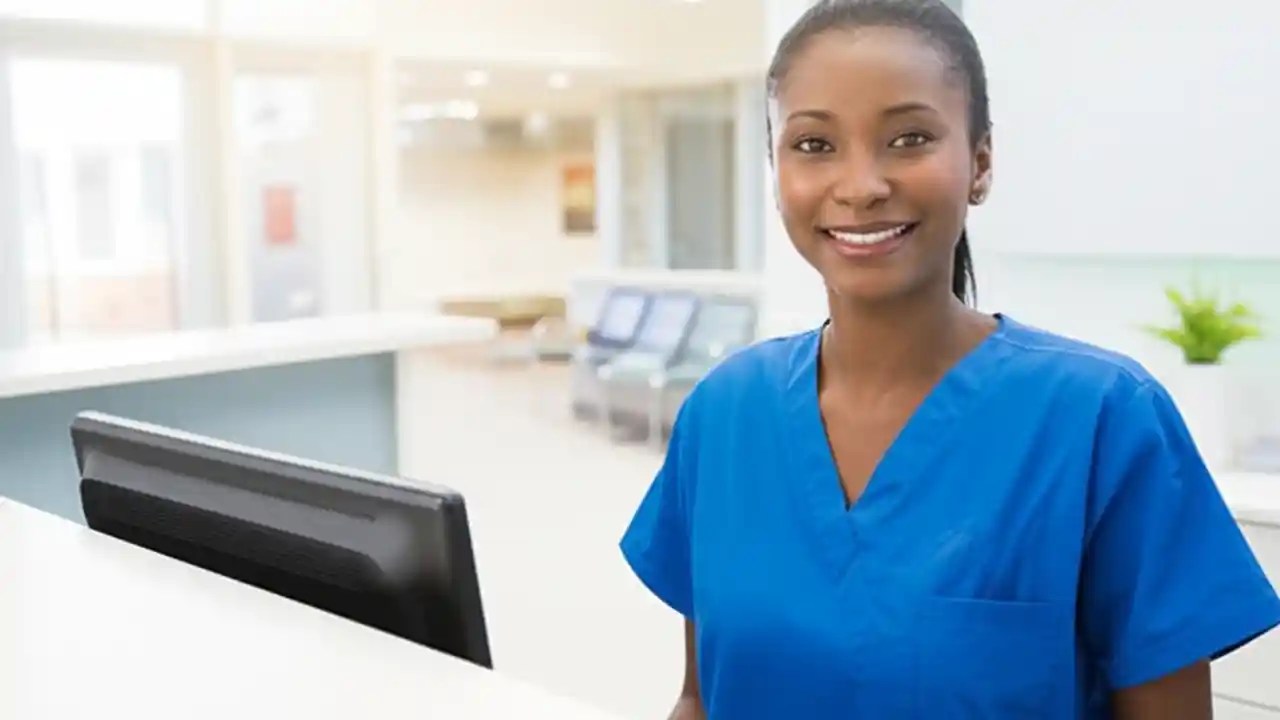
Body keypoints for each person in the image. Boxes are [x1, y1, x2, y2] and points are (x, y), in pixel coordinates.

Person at [618, 0, 1280, 718]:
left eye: (908, 138)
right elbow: (699, 697)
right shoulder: (725, 414)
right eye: (814, 145)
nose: (861, 185)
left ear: (980, 164)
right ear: (776, 169)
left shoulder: (1102, 419)